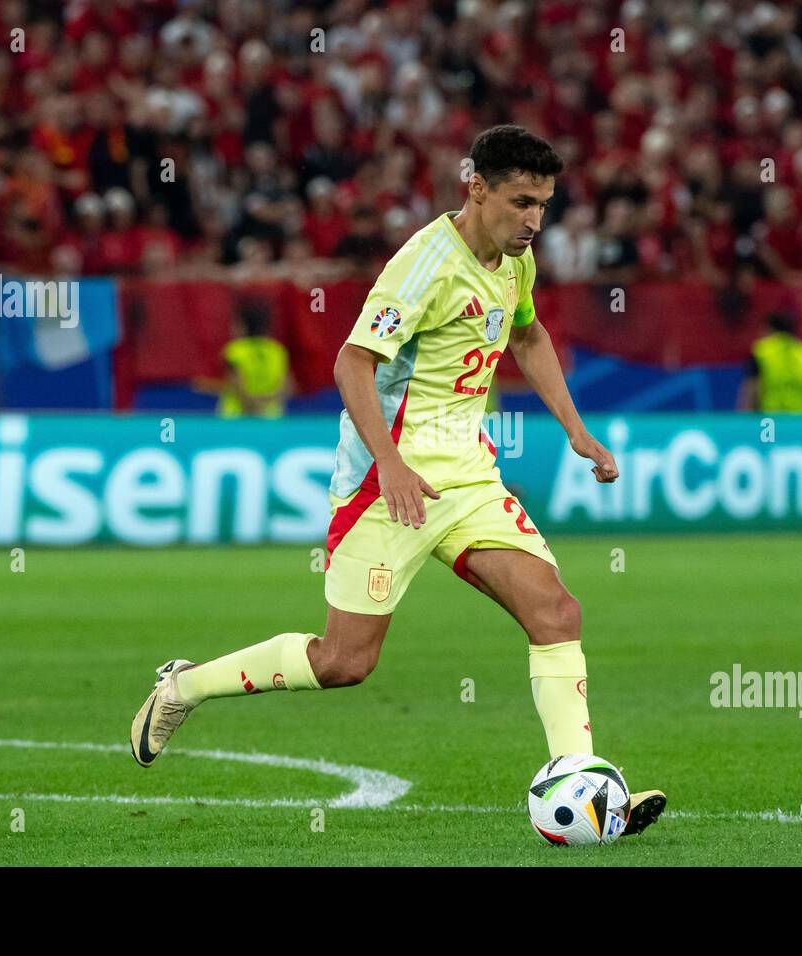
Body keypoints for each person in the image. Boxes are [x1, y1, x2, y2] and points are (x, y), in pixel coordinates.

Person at [129, 125, 666, 836]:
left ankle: (587, 790)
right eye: (521, 202)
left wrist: (575, 428)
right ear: (476, 188)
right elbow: (351, 363)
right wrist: (389, 462)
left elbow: (528, 336)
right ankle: (185, 685)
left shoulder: (514, 262)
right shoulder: (423, 265)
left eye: (544, 205)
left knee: (556, 613)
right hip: (389, 485)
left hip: (468, 478)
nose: (535, 221)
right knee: (345, 661)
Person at [737, 312, 802, 413]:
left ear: (769, 329)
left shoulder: (762, 351)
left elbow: (752, 388)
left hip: (775, 417)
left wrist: (744, 418)